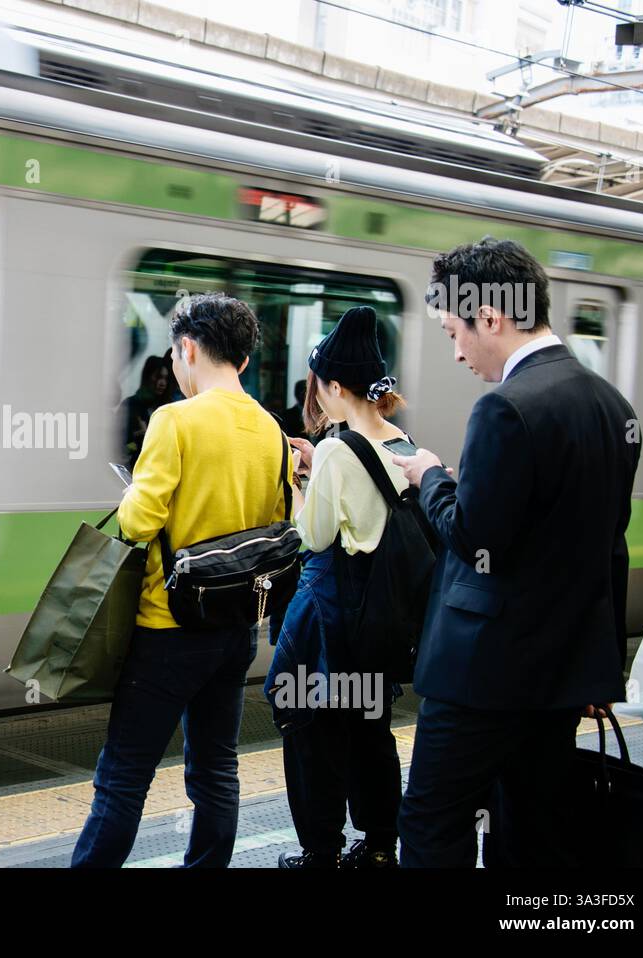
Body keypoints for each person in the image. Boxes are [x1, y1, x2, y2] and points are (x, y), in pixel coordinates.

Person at [392, 237, 641, 867]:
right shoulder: (614, 407)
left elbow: (477, 538)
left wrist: (432, 478)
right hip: (561, 677)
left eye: (456, 331)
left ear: (492, 318)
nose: (456, 351)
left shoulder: (505, 407)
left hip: (483, 676)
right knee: (532, 826)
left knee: (430, 823)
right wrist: (599, 671)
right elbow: (612, 547)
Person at [71, 292, 288, 868]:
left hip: (168, 626)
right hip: (236, 624)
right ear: (242, 360)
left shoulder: (174, 419)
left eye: (173, 353)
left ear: (188, 348)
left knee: (123, 776)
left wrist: (133, 489)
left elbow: (140, 521)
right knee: (217, 767)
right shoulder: (271, 430)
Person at [263, 306, 408, 869]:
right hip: (378, 618)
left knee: (311, 733)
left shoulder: (336, 451)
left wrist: (303, 480)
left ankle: (319, 852)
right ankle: (377, 847)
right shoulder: (402, 442)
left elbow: (313, 536)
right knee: (371, 731)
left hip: (330, 622)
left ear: (332, 386)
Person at [121, 355, 172, 466]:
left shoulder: (167, 409)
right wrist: (140, 439)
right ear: (147, 376)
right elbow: (119, 446)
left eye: (165, 378)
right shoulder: (131, 405)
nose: (162, 383)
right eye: (158, 377)